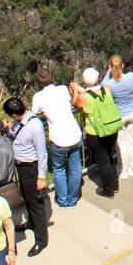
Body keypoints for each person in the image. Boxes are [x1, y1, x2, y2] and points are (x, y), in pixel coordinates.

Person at [30, 68, 82, 208]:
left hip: (59, 139)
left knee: (59, 169)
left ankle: (63, 199)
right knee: (75, 168)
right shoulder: (63, 89)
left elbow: (34, 113)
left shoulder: (38, 97)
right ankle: (72, 199)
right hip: (75, 134)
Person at [3, 96, 49, 256]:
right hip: (22, 167)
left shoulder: (34, 125)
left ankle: (41, 240)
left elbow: (42, 152)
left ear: (14, 115)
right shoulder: (18, 123)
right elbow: (16, 138)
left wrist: (41, 177)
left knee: (36, 203)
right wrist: (8, 131)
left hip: (31, 168)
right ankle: (31, 222)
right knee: (27, 197)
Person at [75, 68, 122, 197]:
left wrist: (75, 90)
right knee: (110, 155)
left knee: (103, 161)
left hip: (96, 133)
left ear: (84, 80)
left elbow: (76, 103)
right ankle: (115, 184)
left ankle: (108, 189)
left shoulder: (85, 97)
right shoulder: (106, 90)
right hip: (111, 129)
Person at [104, 55, 133, 178]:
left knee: (122, 143)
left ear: (110, 67)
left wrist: (109, 71)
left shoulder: (109, 84)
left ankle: (123, 169)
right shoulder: (131, 77)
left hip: (119, 115)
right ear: (123, 66)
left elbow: (102, 87)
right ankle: (130, 168)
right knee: (132, 140)